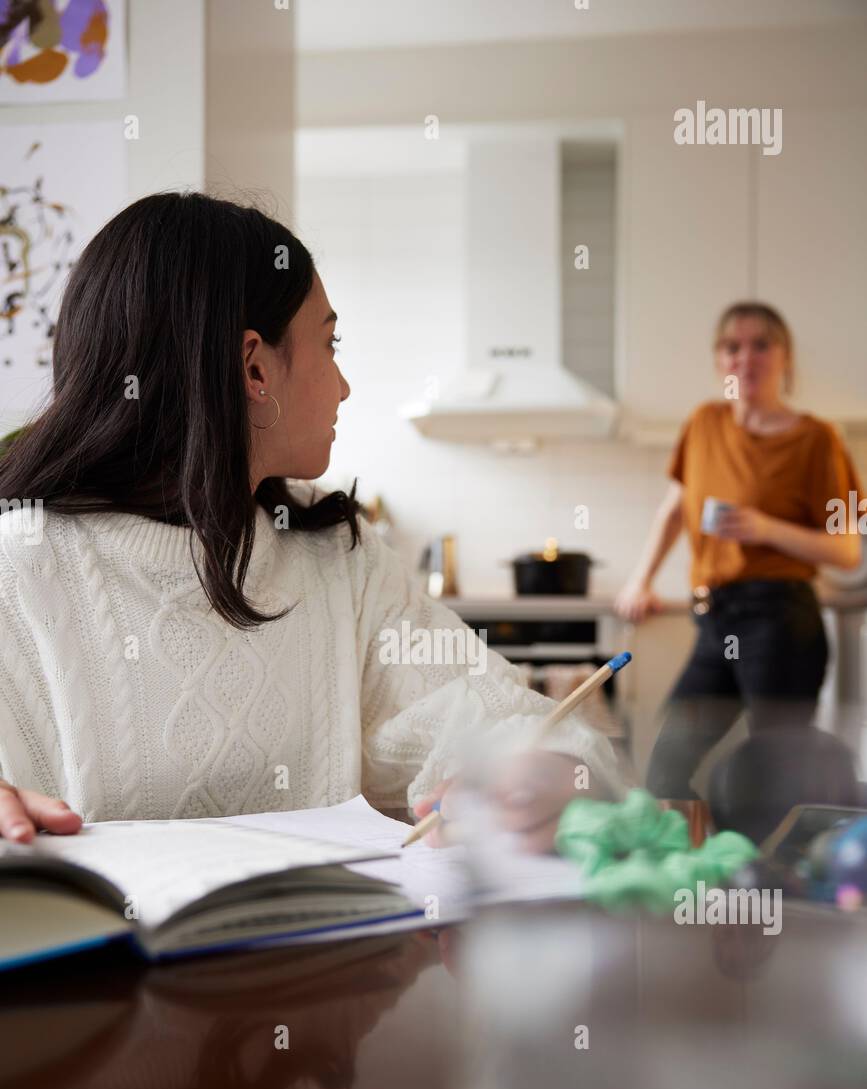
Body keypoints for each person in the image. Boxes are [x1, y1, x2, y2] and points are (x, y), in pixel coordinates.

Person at [0, 192, 619, 845]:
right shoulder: (18, 566)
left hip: (335, 950)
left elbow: (507, 722)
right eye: (330, 342)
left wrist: (554, 772)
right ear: (254, 367)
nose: (343, 384)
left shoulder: (339, 562)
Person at [615, 302, 864, 801]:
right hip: (714, 622)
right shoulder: (704, 424)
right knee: (665, 769)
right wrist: (640, 579)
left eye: (761, 345)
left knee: (775, 782)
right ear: (718, 361)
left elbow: (847, 550)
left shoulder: (817, 439)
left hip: (780, 620)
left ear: (785, 358)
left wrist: (765, 527)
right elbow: (676, 508)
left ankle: (773, 878)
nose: (745, 358)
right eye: (732, 346)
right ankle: (697, 876)